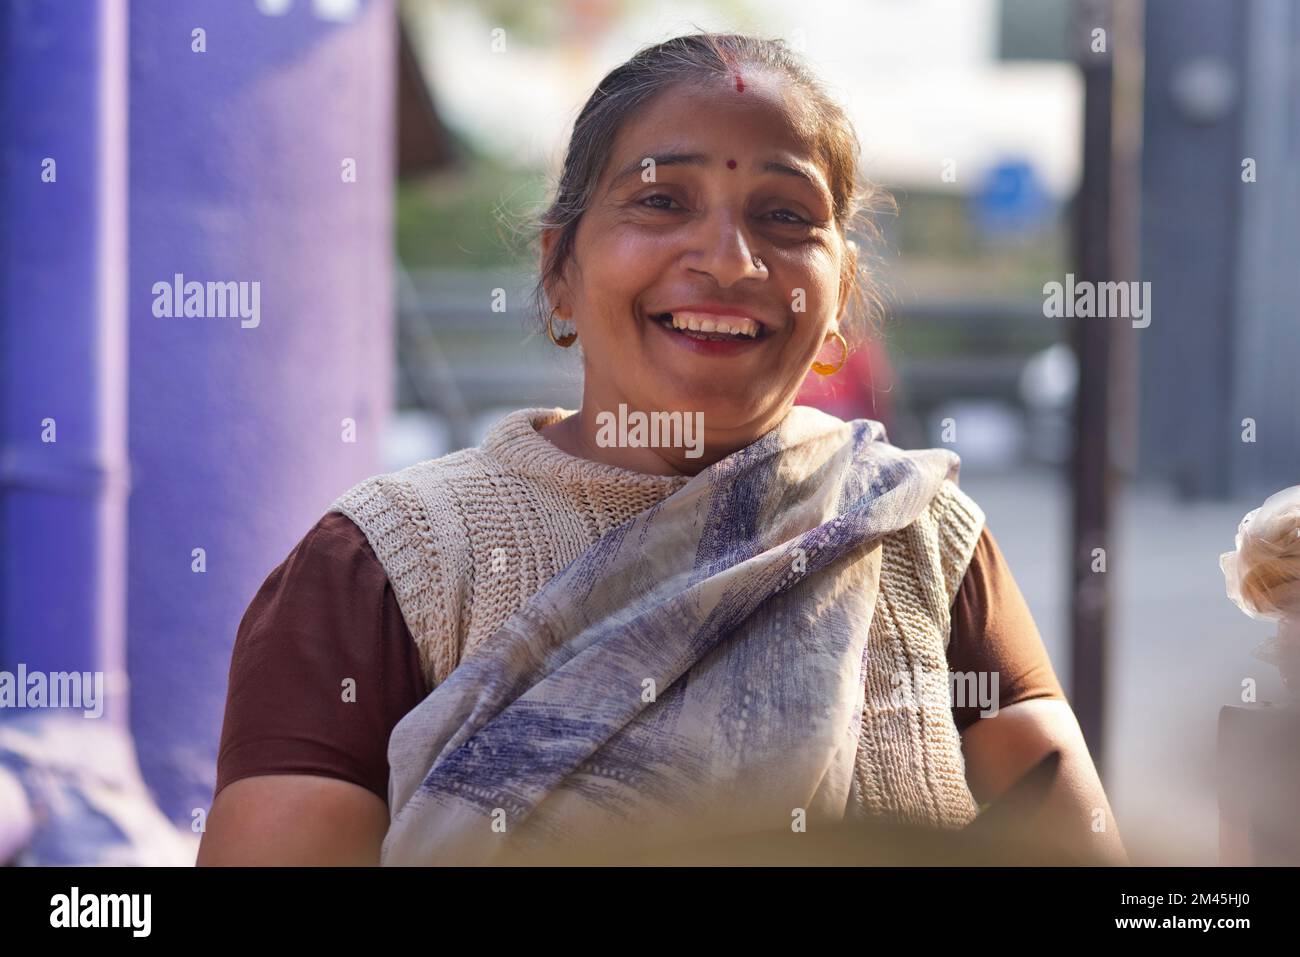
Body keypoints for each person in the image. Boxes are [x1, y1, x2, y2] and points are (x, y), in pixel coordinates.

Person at [197, 32, 1127, 866]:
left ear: (841, 295)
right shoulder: (387, 566)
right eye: (661, 200)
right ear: (559, 271)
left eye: (785, 216)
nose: (727, 259)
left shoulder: (925, 543)